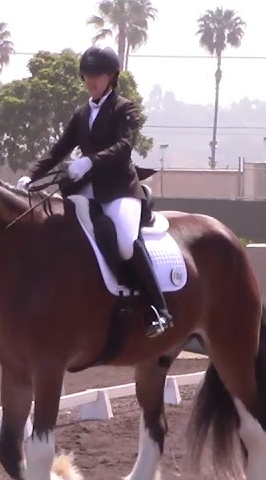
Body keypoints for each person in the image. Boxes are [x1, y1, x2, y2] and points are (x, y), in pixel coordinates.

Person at [17, 46, 173, 338]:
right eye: (87, 75)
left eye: (97, 75)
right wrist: (30, 176)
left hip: (118, 190)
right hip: (84, 190)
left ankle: (158, 310)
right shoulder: (82, 113)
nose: (92, 80)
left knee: (126, 242)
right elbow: (58, 150)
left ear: (111, 76)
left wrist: (90, 160)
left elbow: (124, 147)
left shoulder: (125, 108)